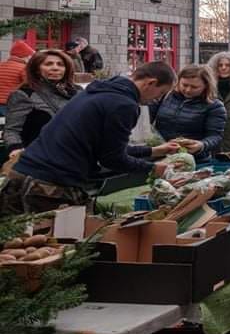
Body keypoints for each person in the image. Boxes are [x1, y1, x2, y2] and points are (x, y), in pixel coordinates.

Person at [0, 62, 178, 215]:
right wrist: (152, 168)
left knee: (13, 244)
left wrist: (152, 151)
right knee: (59, 246)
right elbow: (112, 158)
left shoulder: (98, 91)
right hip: (51, 185)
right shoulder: (124, 105)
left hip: (21, 173)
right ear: (151, 83)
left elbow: (101, 146)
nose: (157, 100)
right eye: (160, 93)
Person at [4, 49, 78, 152]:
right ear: (36, 69)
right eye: (48, 64)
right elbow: (11, 130)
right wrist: (16, 149)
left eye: (60, 64)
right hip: (41, 157)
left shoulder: (77, 92)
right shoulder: (24, 94)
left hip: (76, 155)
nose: (55, 68)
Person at [149, 65, 227, 162]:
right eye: (184, 85)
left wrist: (201, 145)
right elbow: (146, 120)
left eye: (194, 87)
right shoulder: (165, 95)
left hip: (194, 160)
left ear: (206, 86)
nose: (188, 90)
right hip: (159, 156)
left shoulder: (214, 106)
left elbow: (215, 136)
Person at [0, 40, 35, 116]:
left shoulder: (1, 65)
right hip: (10, 103)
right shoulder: (24, 68)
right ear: (25, 56)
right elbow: (29, 83)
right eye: (30, 56)